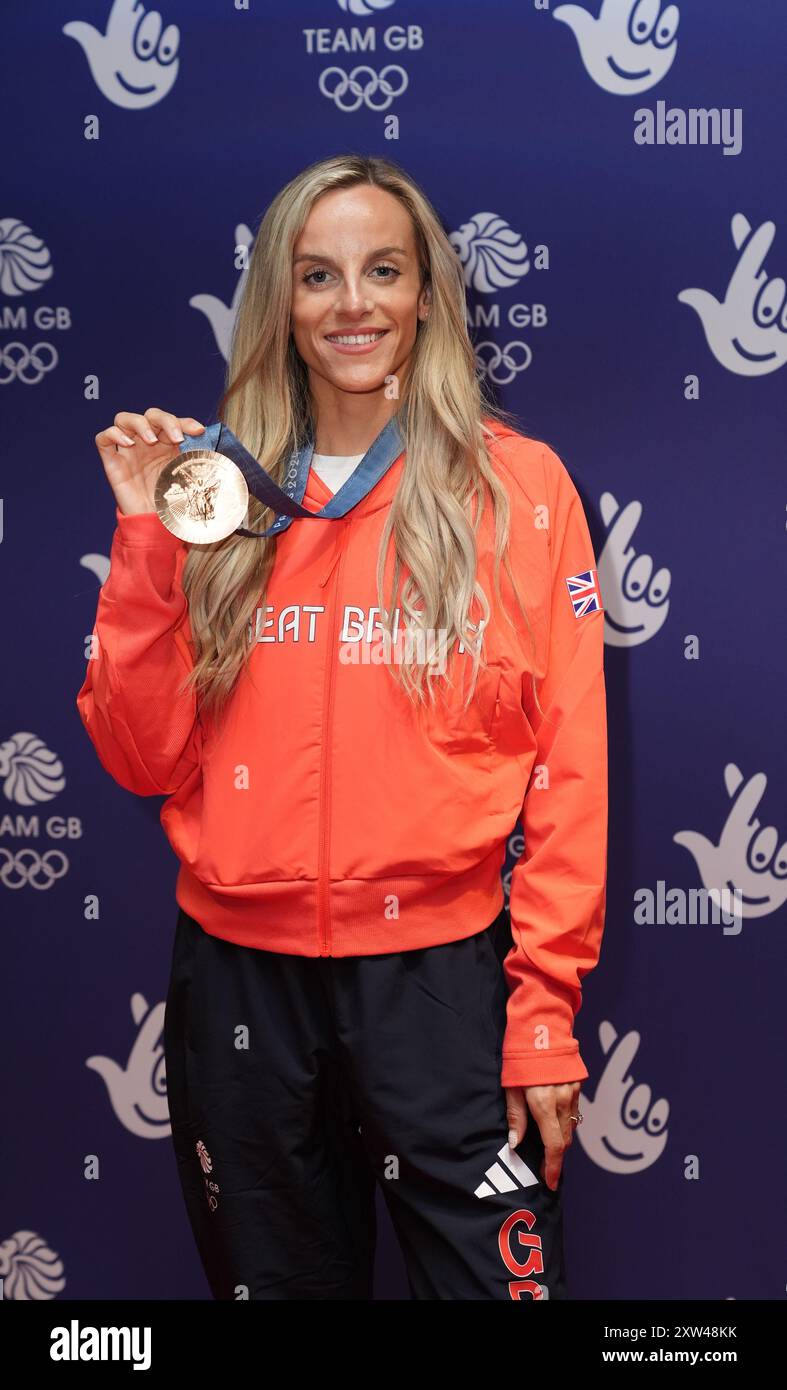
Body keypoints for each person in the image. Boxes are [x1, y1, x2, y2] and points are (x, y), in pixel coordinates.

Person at [76, 152, 608, 1301]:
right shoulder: (213, 489)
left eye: (383, 270)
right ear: (280, 297)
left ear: (426, 293)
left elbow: (570, 771)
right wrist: (147, 539)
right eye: (318, 275)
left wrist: (543, 1014)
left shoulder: (518, 488)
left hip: (441, 986)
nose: (351, 303)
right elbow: (140, 755)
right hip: (240, 988)